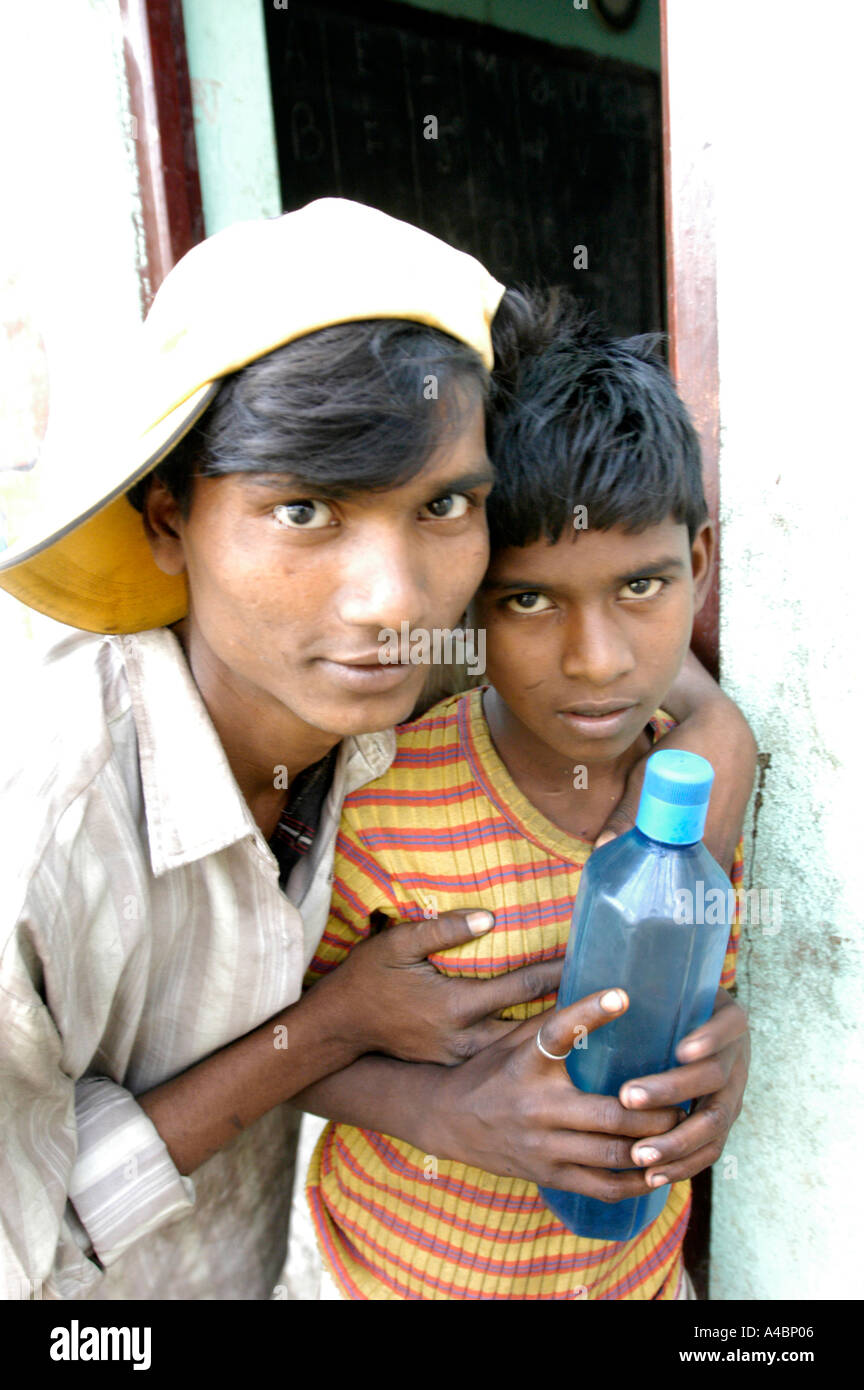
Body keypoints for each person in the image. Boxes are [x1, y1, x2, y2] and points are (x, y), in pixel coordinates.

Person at [0, 203, 753, 1301]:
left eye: (445, 503)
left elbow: (606, 637)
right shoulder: (42, 840)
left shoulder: (417, 654)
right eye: (304, 510)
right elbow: (32, 1236)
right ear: (168, 519)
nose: (392, 598)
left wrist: (720, 734)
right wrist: (339, 1034)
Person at [302, 293, 751, 1300]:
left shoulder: (700, 792)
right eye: (531, 600)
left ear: (701, 565)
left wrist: (725, 1051)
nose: (596, 663)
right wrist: (449, 1110)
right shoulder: (382, 803)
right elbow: (293, 1045)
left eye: (642, 587)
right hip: (408, 1277)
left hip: (630, 1273)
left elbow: (703, 986)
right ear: (466, 594)